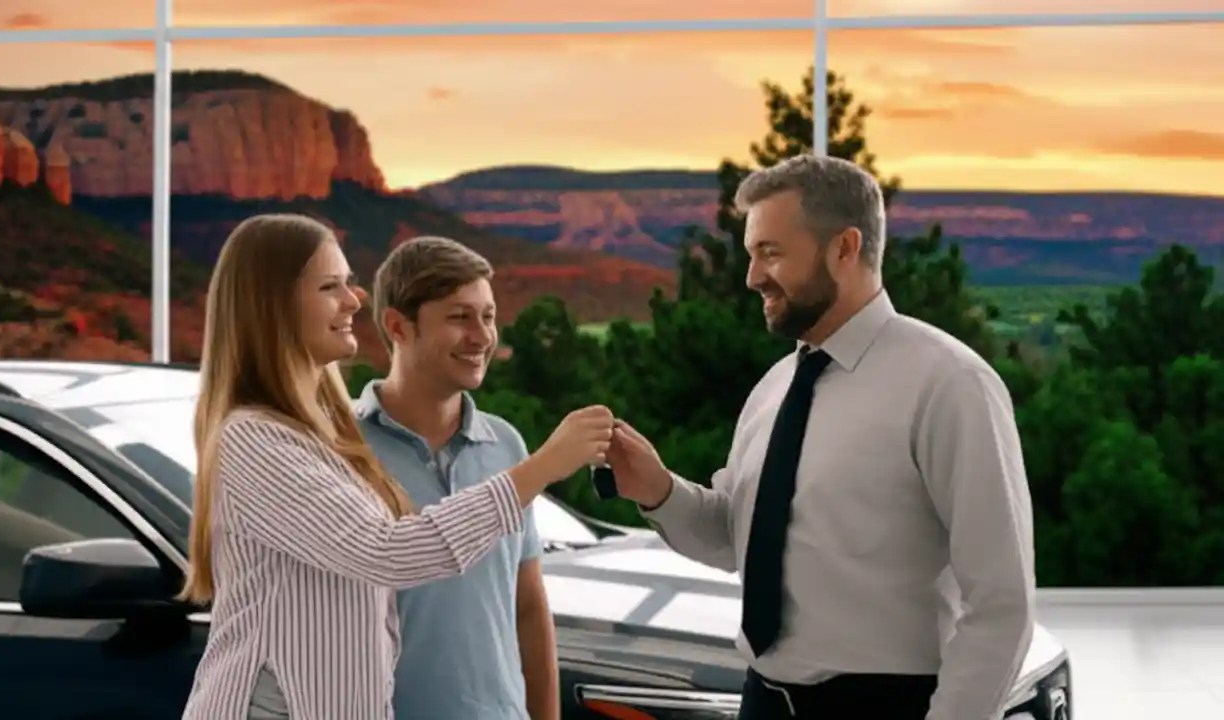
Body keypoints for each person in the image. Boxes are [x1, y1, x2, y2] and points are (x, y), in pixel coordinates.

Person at [605, 155, 1035, 720]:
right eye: (752, 254)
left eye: (771, 253)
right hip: (762, 700)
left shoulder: (950, 384)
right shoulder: (774, 388)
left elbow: (1002, 605)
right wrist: (658, 490)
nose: (752, 277)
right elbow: (738, 540)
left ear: (844, 248)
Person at [178, 213, 614, 720]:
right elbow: (388, 551)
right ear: (273, 306)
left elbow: (521, 607)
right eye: (330, 286)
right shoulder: (255, 440)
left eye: (350, 284)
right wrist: (542, 469)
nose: (354, 300)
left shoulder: (321, 436)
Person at [354, 235, 558, 720]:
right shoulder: (342, 449)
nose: (483, 336)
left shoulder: (506, 445)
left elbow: (528, 607)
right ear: (398, 326)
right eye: (459, 316)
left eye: (487, 316)